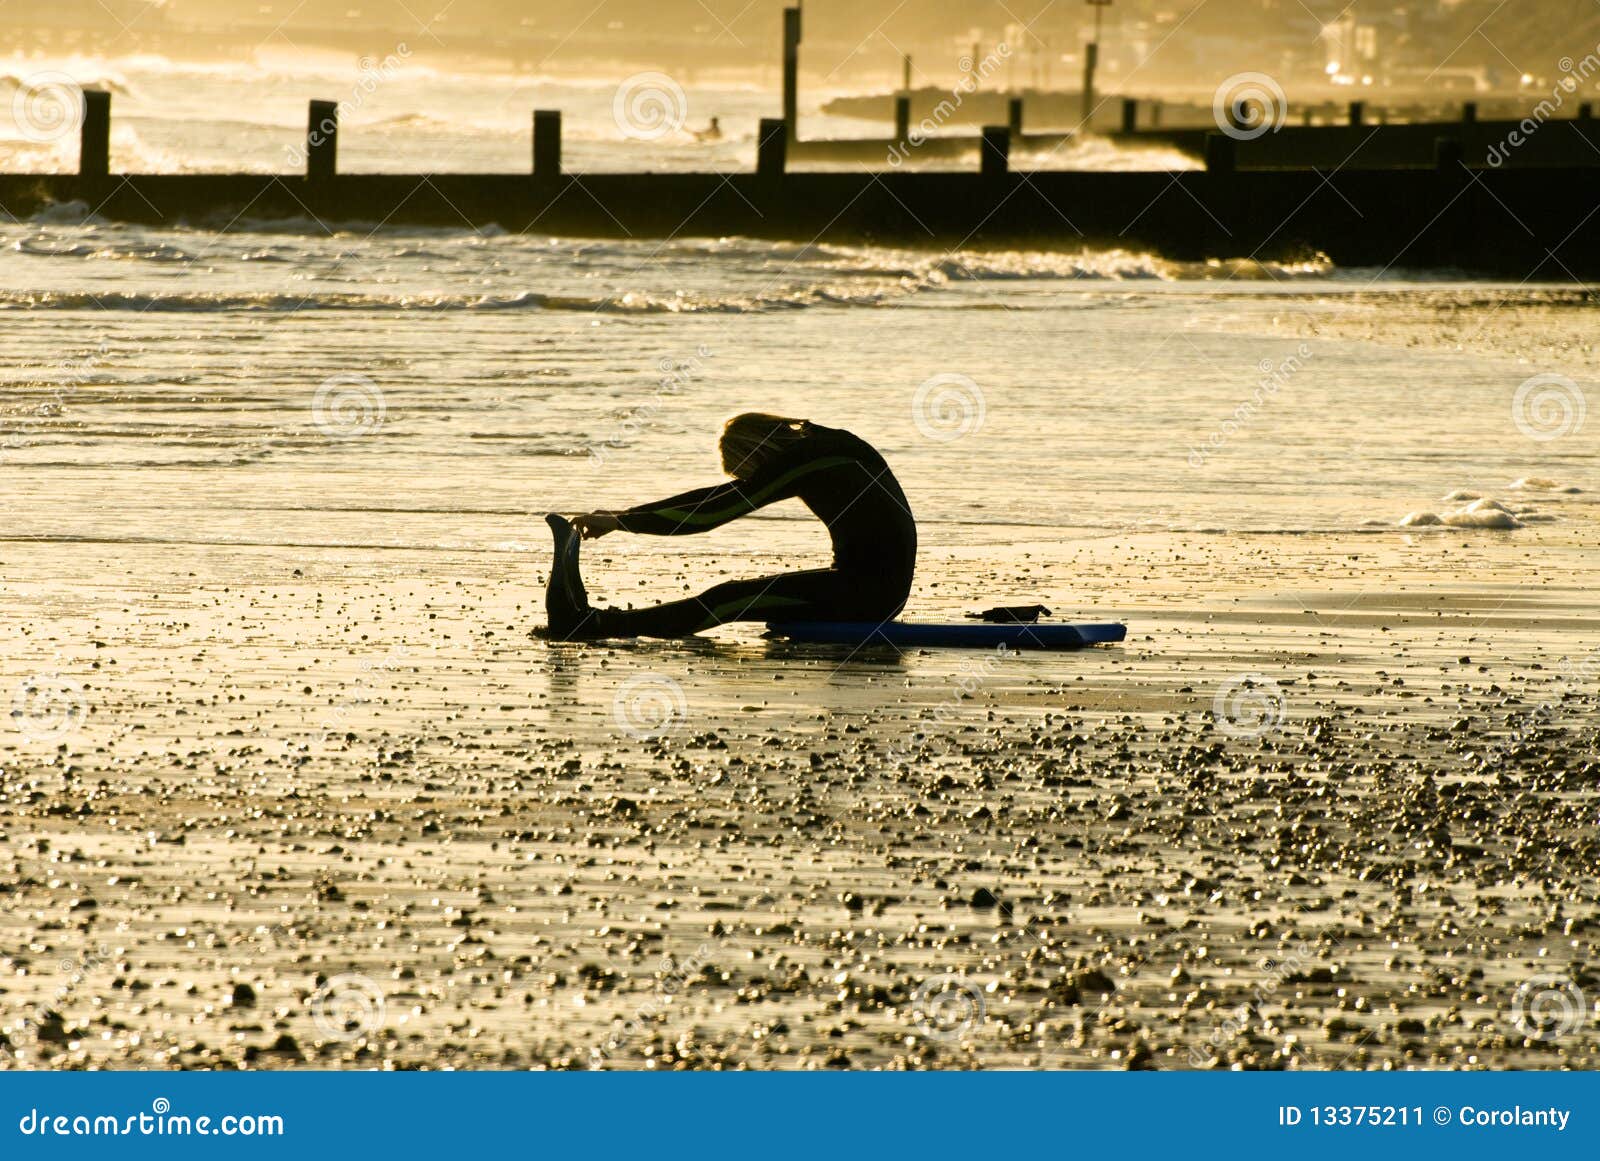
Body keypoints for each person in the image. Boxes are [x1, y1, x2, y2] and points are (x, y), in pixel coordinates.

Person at [545, 413, 916, 640]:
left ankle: (591, 626)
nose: (753, 481)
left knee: (728, 599)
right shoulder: (825, 442)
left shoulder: (806, 459)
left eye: (748, 473)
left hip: (871, 595)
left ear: (755, 453)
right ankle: (594, 620)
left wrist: (621, 521)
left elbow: (709, 512)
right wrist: (623, 517)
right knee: (736, 595)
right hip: (874, 584)